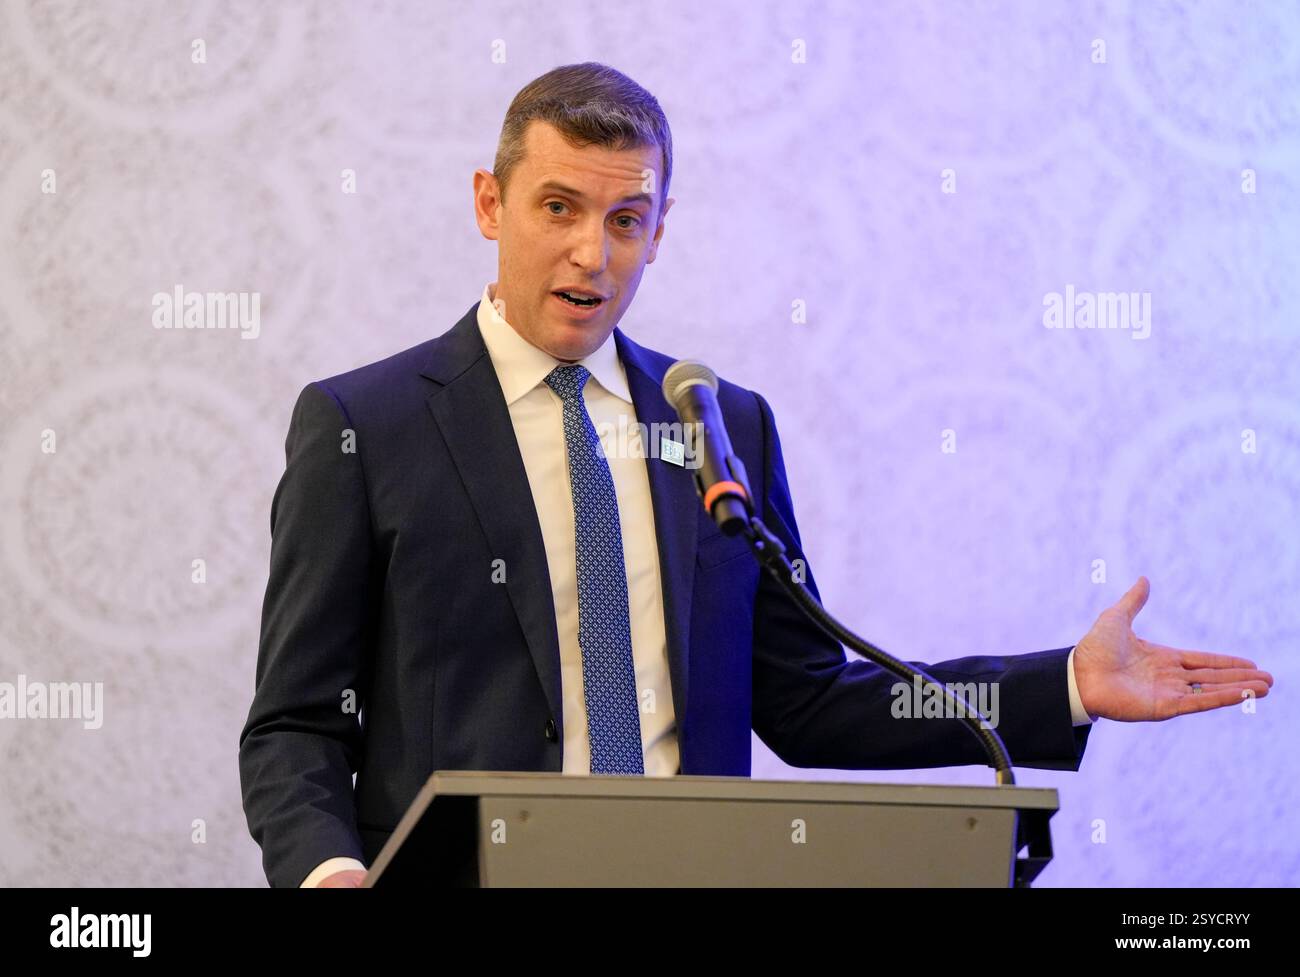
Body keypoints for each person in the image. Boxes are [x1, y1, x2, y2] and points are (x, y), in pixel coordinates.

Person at [238, 62, 1274, 888]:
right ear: (488, 202)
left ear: (659, 227)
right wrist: (332, 872)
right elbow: (295, 722)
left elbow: (809, 699)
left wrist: (1059, 686)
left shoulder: (717, 424)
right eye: (557, 207)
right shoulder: (363, 427)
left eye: (625, 220)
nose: (592, 255)